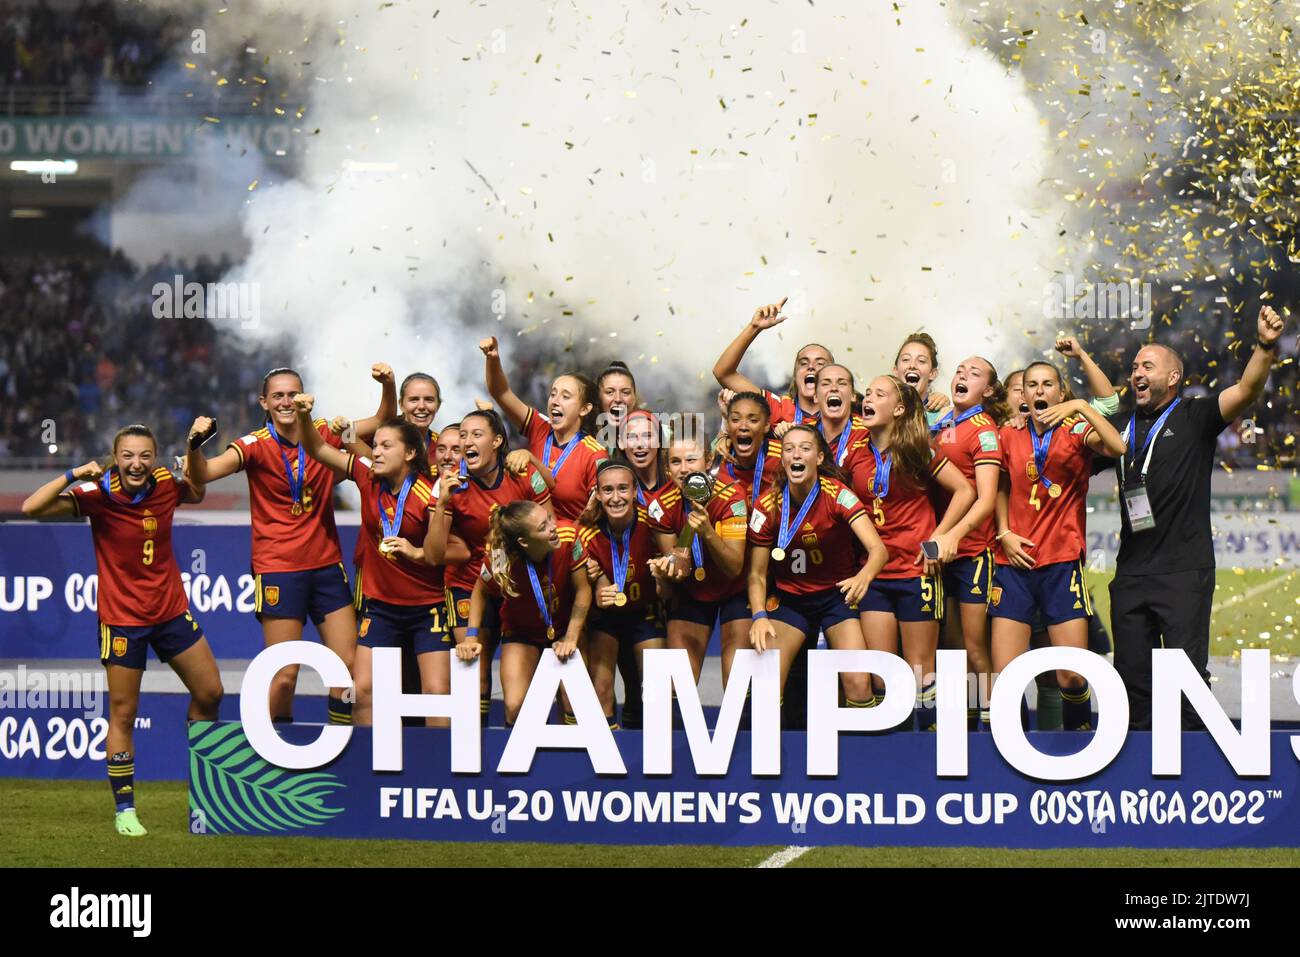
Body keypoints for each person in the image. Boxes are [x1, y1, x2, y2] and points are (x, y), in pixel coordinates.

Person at [22, 421, 223, 837]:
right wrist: (75, 473)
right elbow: (31, 508)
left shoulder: (166, 483)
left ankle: (203, 790)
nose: (136, 463)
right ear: (115, 458)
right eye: (127, 455)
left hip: (169, 613)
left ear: (153, 458)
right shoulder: (98, 495)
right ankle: (125, 809)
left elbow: (199, 491)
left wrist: (193, 448)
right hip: (123, 621)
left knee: (210, 692)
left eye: (145, 455)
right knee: (124, 713)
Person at [1105, 306, 1287, 730]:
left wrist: (1263, 345)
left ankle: (1193, 779)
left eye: (1147, 366)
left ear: (1172, 378)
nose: (1136, 373)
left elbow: (1245, 390)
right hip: (1130, 572)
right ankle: (1135, 778)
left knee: (1186, 685)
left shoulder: (1195, 416)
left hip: (1184, 571)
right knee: (1132, 685)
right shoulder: (1120, 426)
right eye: (1133, 366)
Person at [191, 365, 393, 726]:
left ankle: (341, 747)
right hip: (279, 569)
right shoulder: (253, 446)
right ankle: (273, 761)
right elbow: (202, 474)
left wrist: (388, 385)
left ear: (304, 397)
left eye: (292, 394)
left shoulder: (324, 432)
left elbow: (382, 419)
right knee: (284, 675)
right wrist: (194, 446)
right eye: (278, 396)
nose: (286, 401)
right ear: (264, 402)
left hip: (327, 567)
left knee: (347, 668)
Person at [293, 398, 471, 726]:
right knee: (363, 691)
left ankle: (437, 772)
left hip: (426, 608)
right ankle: (367, 775)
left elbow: (434, 556)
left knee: (436, 694)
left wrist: (440, 508)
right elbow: (317, 448)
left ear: (410, 453)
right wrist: (305, 416)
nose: (375, 452)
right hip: (381, 608)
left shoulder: (432, 494)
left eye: (386, 446)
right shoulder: (367, 476)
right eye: (374, 445)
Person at [991, 360, 1127, 731]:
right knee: (1005, 676)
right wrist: (1004, 531)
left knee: (1071, 674)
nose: (1039, 391)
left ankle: (1079, 741)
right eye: (1031, 384)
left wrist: (1082, 407)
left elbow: (1117, 446)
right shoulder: (1008, 434)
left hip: (1061, 563)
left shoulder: (1075, 430)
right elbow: (1001, 487)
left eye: (1047, 384)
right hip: (1012, 564)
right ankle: (1007, 756)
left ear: (1060, 392)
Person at [851, 375, 975, 730]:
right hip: (874, 575)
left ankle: (931, 747)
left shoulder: (918, 447)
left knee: (921, 672)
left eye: (880, 394)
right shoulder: (854, 452)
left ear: (900, 408)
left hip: (916, 572)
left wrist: (937, 537)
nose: (869, 398)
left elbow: (965, 491)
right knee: (882, 675)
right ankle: (895, 751)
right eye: (868, 393)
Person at [747, 425, 889, 709]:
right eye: (789, 449)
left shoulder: (839, 495)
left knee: (859, 684)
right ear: (782, 459)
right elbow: (756, 575)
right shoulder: (767, 507)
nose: (796, 454)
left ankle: (864, 750)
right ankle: (775, 751)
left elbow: (878, 550)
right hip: (791, 601)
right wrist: (759, 615)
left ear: (820, 458)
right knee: (766, 682)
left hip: (836, 597)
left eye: (805, 448)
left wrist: (863, 577)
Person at [430, 408, 553, 723]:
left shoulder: (522, 474)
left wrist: (532, 458)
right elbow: (433, 555)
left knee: (526, 684)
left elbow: (550, 532)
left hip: (520, 588)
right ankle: (474, 760)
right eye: (463, 435)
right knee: (475, 677)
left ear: (497, 441)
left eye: (476, 434)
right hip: (471, 585)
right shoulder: (448, 486)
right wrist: (442, 502)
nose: (466, 442)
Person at [455, 501, 593, 727]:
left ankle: (569, 759)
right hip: (521, 633)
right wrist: (471, 635)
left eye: (549, 518)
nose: (553, 527)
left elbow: (583, 590)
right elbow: (480, 592)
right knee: (514, 706)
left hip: (562, 630)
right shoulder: (500, 558)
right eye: (542, 527)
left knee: (572, 703)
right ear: (523, 542)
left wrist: (570, 638)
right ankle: (528, 757)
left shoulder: (569, 535)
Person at [931, 357, 1012, 729]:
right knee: (952, 648)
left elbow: (985, 498)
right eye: (960, 370)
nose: (962, 375)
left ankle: (997, 728)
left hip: (972, 553)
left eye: (974, 373)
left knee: (977, 648)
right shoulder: (944, 422)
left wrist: (952, 536)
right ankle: (962, 727)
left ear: (990, 390)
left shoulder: (983, 430)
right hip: (940, 554)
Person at [646, 433, 750, 687]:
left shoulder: (732, 497)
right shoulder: (659, 506)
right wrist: (664, 571)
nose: (684, 469)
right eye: (675, 462)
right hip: (691, 592)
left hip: (734, 591)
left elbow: (734, 567)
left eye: (691, 460)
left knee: (737, 681)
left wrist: (707, 531)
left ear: (708, 461)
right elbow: (679, 569)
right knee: (676, 685)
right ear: (666, 469)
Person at [578, 460, 667, 728]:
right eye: (607, 490)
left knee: (654, 688)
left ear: (635, 490)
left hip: (645, 614)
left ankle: (653, 759)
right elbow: (571, 573)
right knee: (601, 689)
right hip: (605, 619)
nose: (615, 498)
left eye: (622, 489)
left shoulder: (653, 523)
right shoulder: (585, 532)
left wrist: (664, 574)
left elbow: (676, 558)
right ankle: (610, 760)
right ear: (597, 494)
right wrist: (595, 585)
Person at [480, 335, 607, 521]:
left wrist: (531, 458)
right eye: (553, 394)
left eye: (565, 396)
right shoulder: (540, 427)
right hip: (530, 537)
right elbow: (501, 393)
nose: (555, 401)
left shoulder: (594, 454)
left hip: (569, 540)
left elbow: (595, 518)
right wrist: (492, 360)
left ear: (584, 409)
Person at [712, 297, 833, 426]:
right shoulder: (777, 408)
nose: (811, 366)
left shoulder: (848, 417)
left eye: (820, 363)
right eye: (803, 363)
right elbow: (724, 373)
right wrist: (754, 327)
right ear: (795, 376)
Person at [893, 332, 952, 426]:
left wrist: (948, 417)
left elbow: (951, 440)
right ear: (895, 370)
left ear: (932, 373)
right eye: (905, 359)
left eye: (921, 361)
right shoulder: (882, 409)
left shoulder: (946, 415)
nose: (912, 365)